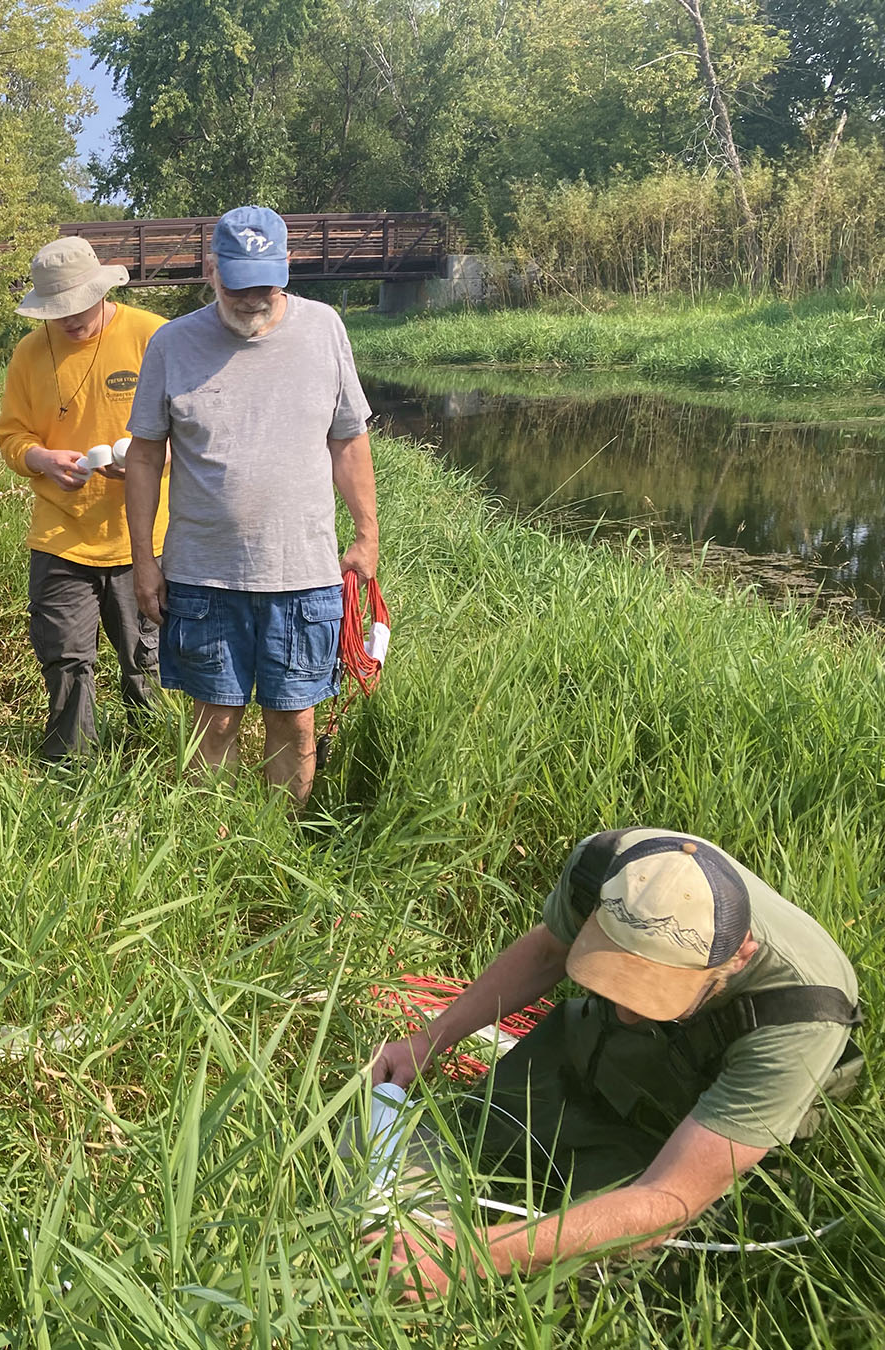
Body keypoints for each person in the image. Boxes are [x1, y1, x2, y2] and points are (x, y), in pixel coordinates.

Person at [371, 829, 862, 1297]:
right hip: (589, 1048)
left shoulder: (798, 1018)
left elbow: (667, 1200)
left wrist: (473, 1258)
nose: (627, 1013)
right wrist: (428, 1041)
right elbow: (546, 952)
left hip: (708, 1112)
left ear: (740, 956)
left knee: (589, 1284)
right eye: (614, 978)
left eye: (654, 995)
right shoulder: (612, 869)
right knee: (459, 1140)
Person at [123, 205, 377, 802]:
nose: (251, 298)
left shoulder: (325, 329)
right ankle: (215, 852)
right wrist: (143, 559)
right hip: (203, 575)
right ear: (211, 270)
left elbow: (348, 438)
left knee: (295, 720)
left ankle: (278, 844)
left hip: (304, 575)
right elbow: (143, 456)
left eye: (264, 284)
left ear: (287, 266)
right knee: (214, 721)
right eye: (237, 284)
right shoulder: (172, 343)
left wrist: (366, 536)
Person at [0, 237, 169, 760]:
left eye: (78, 305)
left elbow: (192, 429)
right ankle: (71, 774)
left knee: (148, 664)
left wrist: (143, 467)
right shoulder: (29, 353)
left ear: (101, 290)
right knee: (67, 661)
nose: (69, 320)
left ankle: (157, 762)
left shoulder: (152, 336)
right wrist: (41, 459)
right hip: (60, 536)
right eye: (57, 311)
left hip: (143, 539)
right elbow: (12, 436)